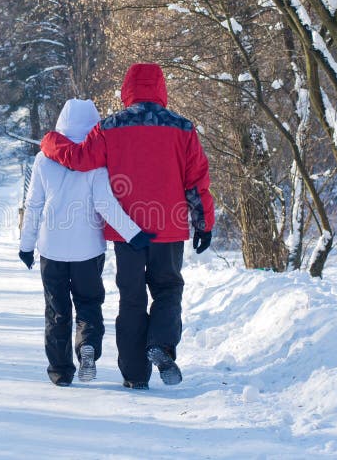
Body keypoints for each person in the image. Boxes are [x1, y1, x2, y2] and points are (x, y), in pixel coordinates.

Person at [40, 63, 215, 390]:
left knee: (131, 297)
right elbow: (196, 182)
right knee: (167, 288)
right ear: (161, 89)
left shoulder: (110, 127)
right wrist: (203, 224)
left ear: (127, 89)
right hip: (170, 226)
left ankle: (135, 375)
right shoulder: (183, 128)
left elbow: (79, 159)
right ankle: (160, 345)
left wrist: (50, 141)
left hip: (127, 230)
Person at [19, 99, 155, 387]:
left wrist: (26, 245)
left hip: (51, 248)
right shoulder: (96, 160)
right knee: (89, 304)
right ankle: (87, 347)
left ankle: (60, 371)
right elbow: (106, 204)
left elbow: (33, 205)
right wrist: (134, 233)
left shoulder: (44, 158)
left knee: (56, 310)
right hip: (88, 250)